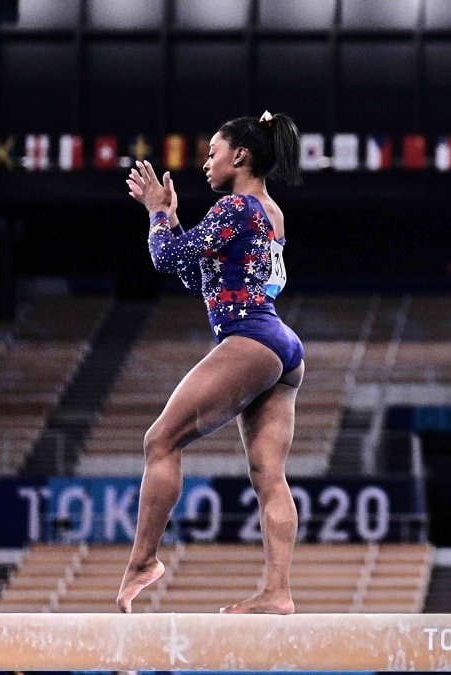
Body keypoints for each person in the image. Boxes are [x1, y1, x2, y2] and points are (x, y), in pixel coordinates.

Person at [117, 111, 305, 615]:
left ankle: (144, 560)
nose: (205, 163)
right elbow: (201, 275)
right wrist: (174, 222)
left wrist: (158, 212)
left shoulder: (236, 207)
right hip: (281, 347)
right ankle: (278, 593)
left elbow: (164, 258)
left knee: (160, 441)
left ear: (239, 156)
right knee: (269, 475)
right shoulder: (269, 211)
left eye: (212, 152)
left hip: (249, 337)